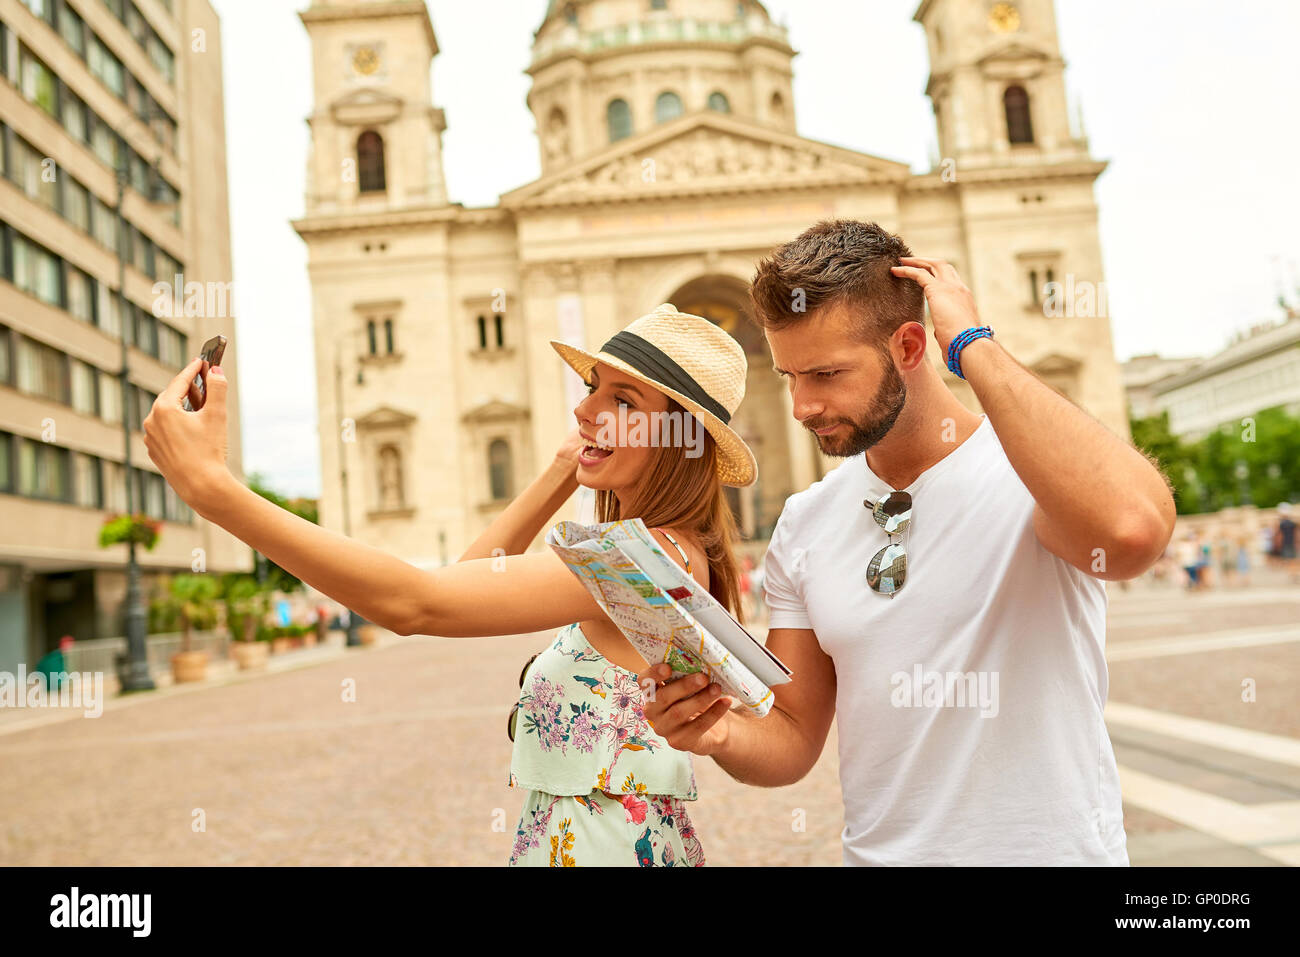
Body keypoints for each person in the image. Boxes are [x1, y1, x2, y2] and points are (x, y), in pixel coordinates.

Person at [141, 303, 758, 867]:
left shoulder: (643, 559)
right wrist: (564, 469)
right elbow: (468, 572)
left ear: (684, 442)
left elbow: (415, 603)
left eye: (625, 402)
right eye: (593, 387)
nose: (583, 409)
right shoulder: (656, 551)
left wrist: (214, 492)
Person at [640, 220, 1176, 866]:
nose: (801, 406)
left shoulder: (1029, 476)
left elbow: (1134, 530)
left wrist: (973, 345)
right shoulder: (805, 523)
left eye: (827, 374)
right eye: (790, 376)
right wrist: (718, 729)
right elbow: (791, 736)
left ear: (911, 344)